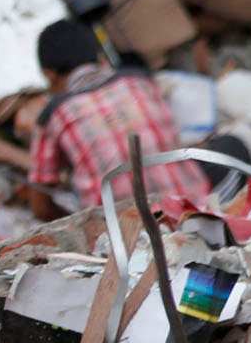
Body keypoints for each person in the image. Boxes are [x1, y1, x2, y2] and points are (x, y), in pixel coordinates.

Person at [25, 20, 214, 220]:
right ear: (98, 56)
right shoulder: (142, 81)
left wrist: (81, 224)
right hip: (196, 210)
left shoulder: (53, 114)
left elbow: (41, 207)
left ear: (49, 74)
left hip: (128, 231)